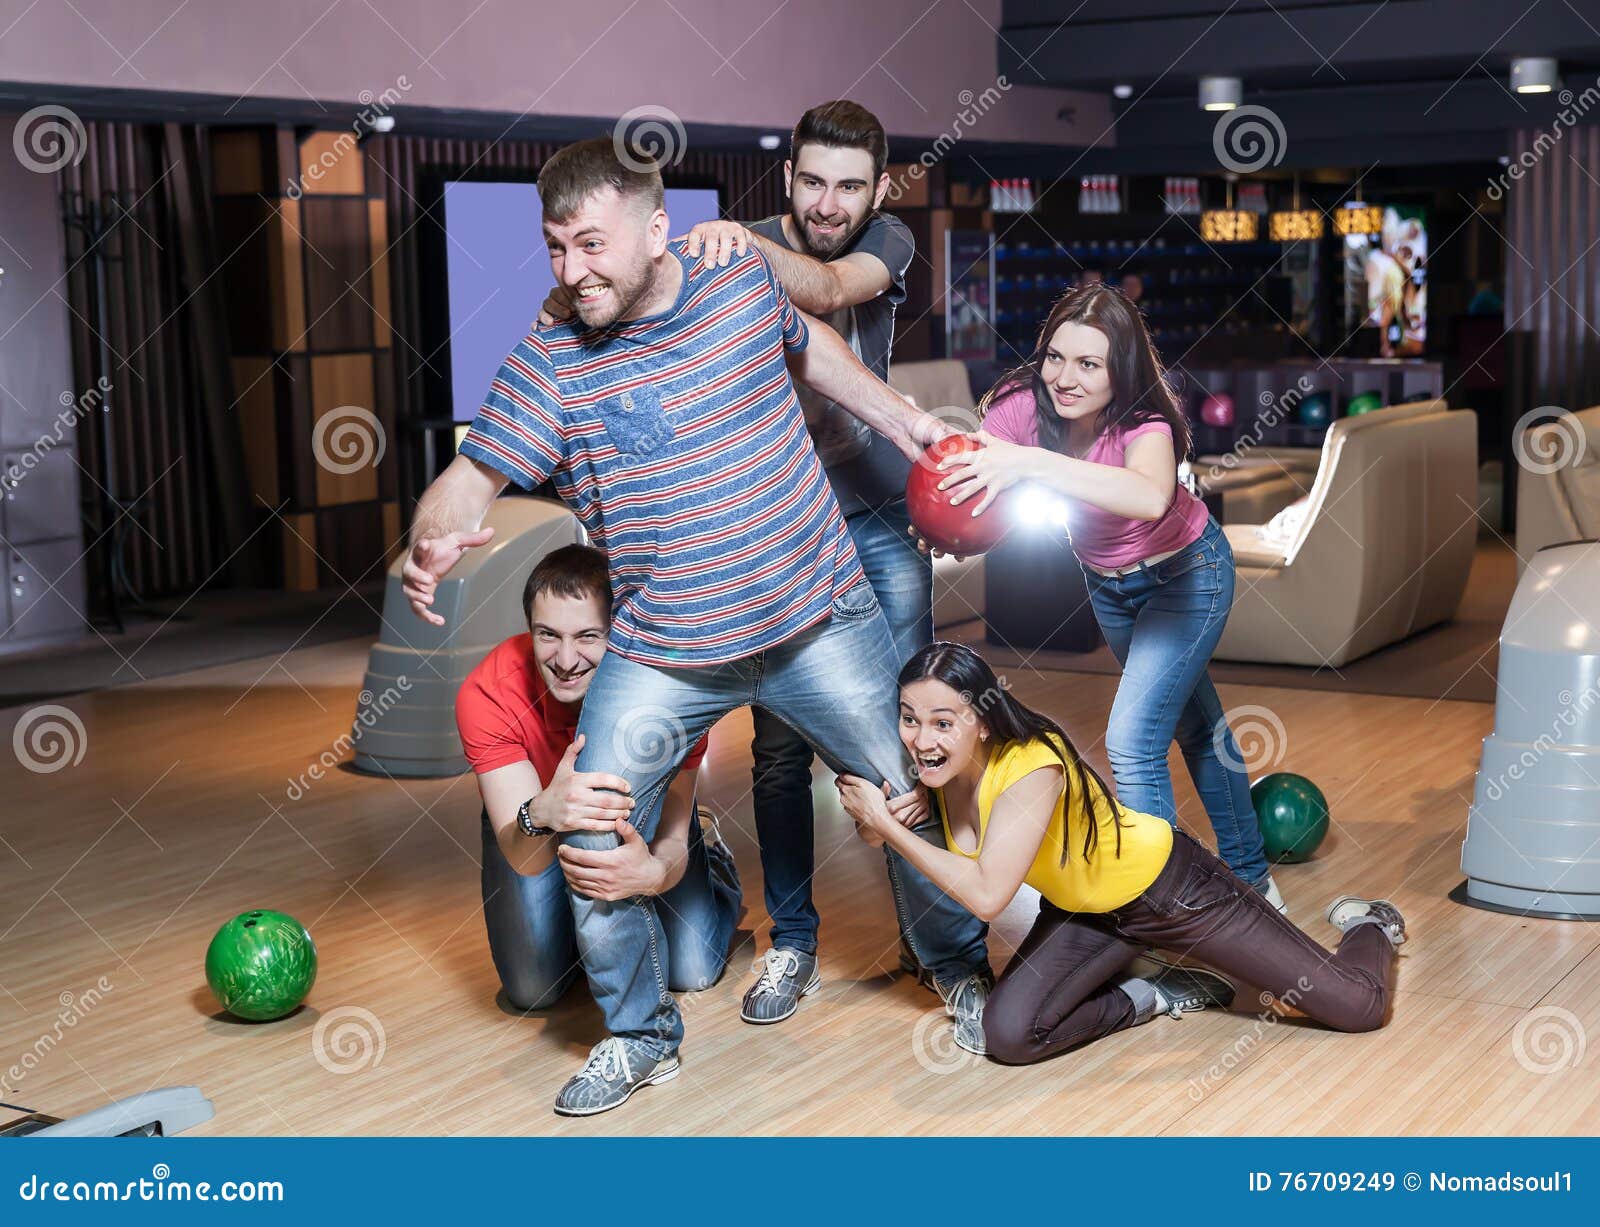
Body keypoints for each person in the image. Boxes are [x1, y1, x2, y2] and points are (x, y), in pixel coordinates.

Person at [404, 136, 990, 1116]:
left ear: (655, 227)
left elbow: (819, 352)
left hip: (818, 619)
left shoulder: (735, 283)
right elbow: (472, 474)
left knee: (908, 793)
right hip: (664, 652)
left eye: (591, 244)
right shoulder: (552, 355)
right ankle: (640, 1037)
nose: (571, 270)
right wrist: (431, 538)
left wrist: (909, 423)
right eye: (554, 249)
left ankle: (953, 964)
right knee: (592, 830)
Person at [540, 101, 931, 1026]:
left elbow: (830, 294)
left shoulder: (882, 240)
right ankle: (793, 940)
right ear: (786, 174)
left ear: (876, 188)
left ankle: (934, 931)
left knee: (906, 745)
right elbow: (607, 313)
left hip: (870, 518)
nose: (830, 201)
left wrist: (743, 251)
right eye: (812, 180)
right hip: (761, 533)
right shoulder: (707, 253)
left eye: (849, 185)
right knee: (778, 755)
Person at [836, 642, 1405, 1064]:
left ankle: (1373, 924)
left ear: (981, 722)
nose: (921, 738)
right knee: (1007, 1036)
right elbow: (874, 836)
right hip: (1087, 916)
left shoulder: (1035, 766)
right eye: (910, 719)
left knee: (1358, 1006)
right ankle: (1156, 991)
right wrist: (883, 818)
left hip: (1172, 892)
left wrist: (888, 824)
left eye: (942, 722)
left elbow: (988, 897)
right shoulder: (943, 771)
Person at [928, 282, 1281, 905]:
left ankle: (1170, 913)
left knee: (1132, 741)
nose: (1065, 377)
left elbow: (1149, 498)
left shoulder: (1146, 425)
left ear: (1121, 370)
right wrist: (948, 528)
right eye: (1056, 357)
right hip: (1111, 587)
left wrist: (1034, 463)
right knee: (1199, 730)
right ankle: (1254, 886)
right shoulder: (1015, 408)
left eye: (1089, 364)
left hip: (1188, 575)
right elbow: (989, 499)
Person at [456, 544, 741, 1027]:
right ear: (530, 631)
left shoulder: (668, 687)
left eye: (588, 636)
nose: (566, 659)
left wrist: (658, 873)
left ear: (620, 633)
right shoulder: (489, 692)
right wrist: (541, 812)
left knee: (693, 971)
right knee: (533, 989)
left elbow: (669, 837)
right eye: (548, 635)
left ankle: (716, 864)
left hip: (642, 822)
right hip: (531, 823)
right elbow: (526, 856)